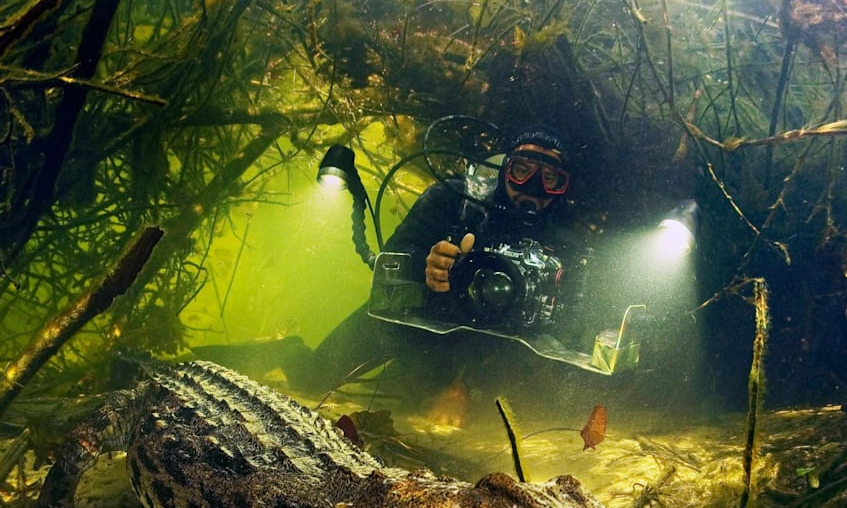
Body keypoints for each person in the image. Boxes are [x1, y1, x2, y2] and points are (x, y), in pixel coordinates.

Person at [198, 126, 581, 401]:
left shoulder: (563, 239)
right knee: (311, 377)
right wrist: (427, 266)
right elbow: (393, 261)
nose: (533, 189)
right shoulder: (455, 200)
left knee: (433, 405)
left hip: (484, 348)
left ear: (562, 189)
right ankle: (274, 352)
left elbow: (569, 320)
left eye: (550, 179)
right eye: (521, 171)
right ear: (503, 169)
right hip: (411, 319)